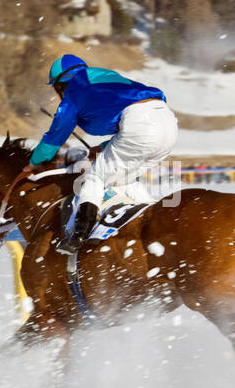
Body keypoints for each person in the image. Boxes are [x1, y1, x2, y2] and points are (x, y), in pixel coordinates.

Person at [23, 54, 177, 255]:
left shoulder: (74, 91)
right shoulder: (103, 76)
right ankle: (154, 223)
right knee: (124, 179)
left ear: (60, 84)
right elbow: (134, 118)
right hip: (167, 122)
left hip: (140, 125)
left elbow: (56, 135)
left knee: (95, 177)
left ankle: (79, 234)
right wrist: (105, 146)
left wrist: (34, 162)